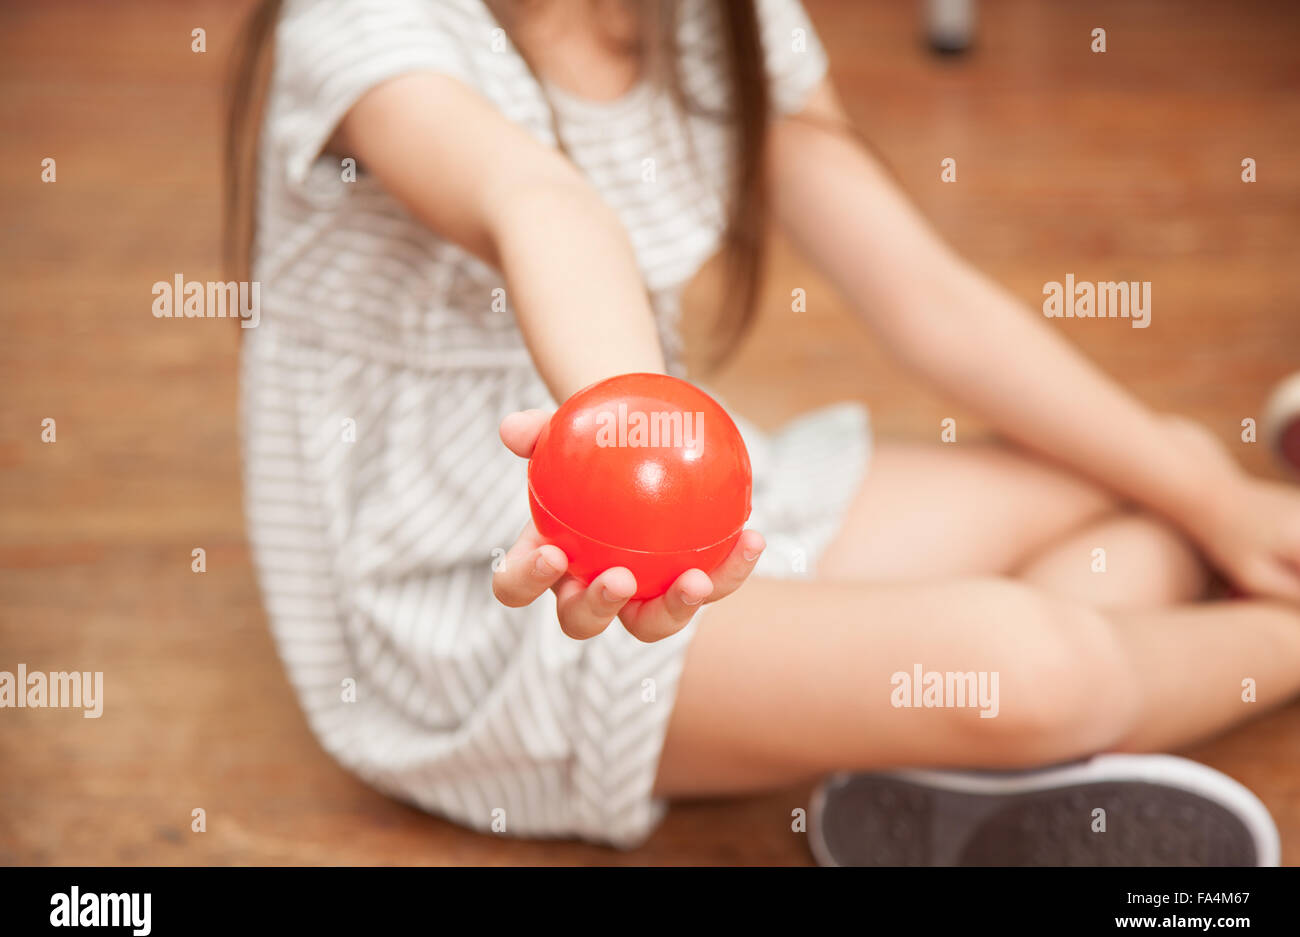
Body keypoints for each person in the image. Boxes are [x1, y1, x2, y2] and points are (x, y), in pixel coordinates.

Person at [226, 0, 1300, 863]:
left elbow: (926, 296)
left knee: (1145, 499)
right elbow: (541, 201)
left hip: (697, 513)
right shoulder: (364, 25)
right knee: (1037, 669)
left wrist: (1206, 493)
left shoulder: (717, 21)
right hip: (490, 601)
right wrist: (630, 460)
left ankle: (935, 772)